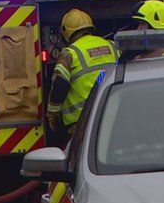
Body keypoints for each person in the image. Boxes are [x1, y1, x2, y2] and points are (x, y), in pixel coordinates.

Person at [46, 9, 119, 141]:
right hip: (113, 117)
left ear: (65, 32)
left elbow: (59, 85)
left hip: (82, 123)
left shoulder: (69, 54)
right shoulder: (112, 46)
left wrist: (53, 116)